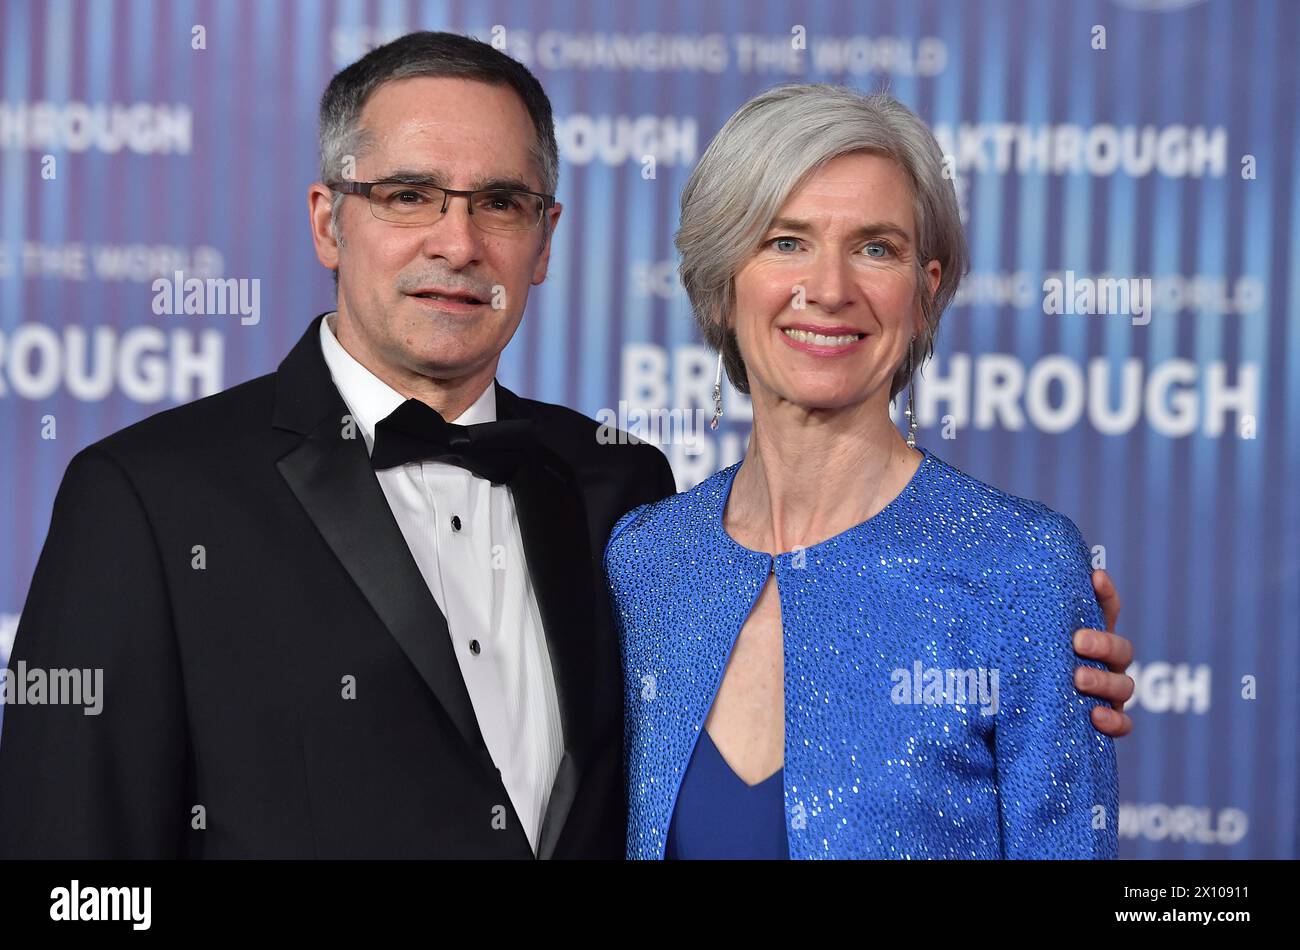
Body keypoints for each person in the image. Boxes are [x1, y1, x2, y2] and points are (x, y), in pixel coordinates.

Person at [0, 35, 1131, 860]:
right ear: (327, 218)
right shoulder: (148, 499)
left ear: (544, 241)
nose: (457, 240)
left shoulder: (614, 497)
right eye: (407, 195)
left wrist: (1029, 635)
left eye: (500, 201)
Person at [606, 84, 1120, 859]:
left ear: (927, 291)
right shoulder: (644, 560)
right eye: (785, 242)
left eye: (877, 248)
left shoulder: (1021, 568)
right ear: (722, 280)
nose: (832, 289)